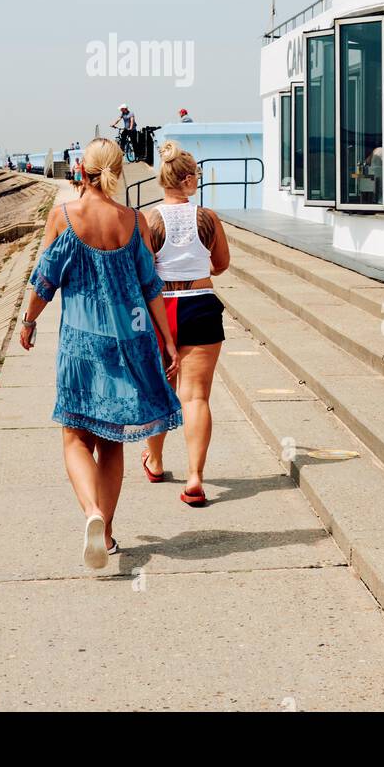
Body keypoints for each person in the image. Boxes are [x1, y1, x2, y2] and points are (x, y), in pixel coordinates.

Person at [18, 137, 181, 570]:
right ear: (117, 172)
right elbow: (151, 288)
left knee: (74, 436)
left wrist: (28, 321)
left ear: (80, 171)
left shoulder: (65, 217)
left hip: (81, 342)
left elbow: (45, 282)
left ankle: (91, 512)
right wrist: (166, 340)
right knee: (112, 443)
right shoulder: (134, 221)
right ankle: (105, 532)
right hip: (130, 341)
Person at [142, 141, 230, 507]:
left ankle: (157, 460)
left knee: (158, 392)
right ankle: (195, 477)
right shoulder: (207, 218)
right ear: (189, 179)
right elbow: (221, 264)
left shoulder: (148, 219)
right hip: (200, 307)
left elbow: (144, 272)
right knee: (195, 397)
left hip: (161, 308)